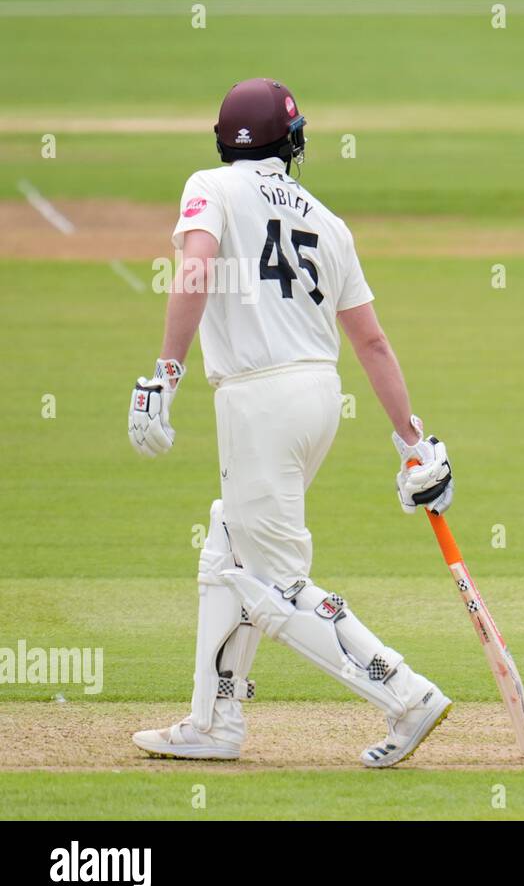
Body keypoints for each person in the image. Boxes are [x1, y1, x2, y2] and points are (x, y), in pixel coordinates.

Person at [128, 78, 454, 767]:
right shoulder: (328, 222)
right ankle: (213, 721)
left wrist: (165, 375)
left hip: (256, 399)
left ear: (223, 141)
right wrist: (411, 442)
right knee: (228, 550)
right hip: (318, 397)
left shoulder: (210, 187)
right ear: (294, 140)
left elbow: (193, 272)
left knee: (275, 584)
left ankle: (405, 692)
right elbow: (372, 343)